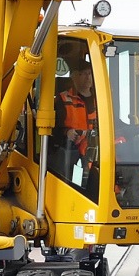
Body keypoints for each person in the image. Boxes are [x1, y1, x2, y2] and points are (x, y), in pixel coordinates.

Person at [54, 58, 98, 191]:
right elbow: (54, 125)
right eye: (83, 73)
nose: (88, 77)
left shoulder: (100, 100)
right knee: (75, 186)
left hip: (95, 151)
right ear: (73, 77)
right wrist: (66, 132)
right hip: (71, 150)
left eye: (90, 73)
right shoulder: (63, 99)